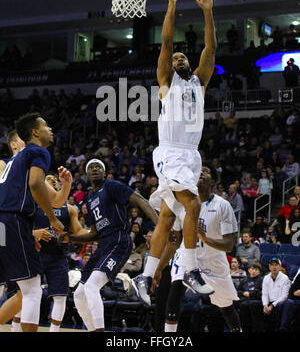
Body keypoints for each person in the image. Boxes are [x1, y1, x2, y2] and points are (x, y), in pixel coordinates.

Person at [132, 0, 217, 304]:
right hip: (170, 152)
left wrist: (208, 13)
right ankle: (191, 268)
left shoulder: (200, 81)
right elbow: (166, 42)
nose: (179, 58)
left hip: (191, 155)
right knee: (192, 205)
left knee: (168, 217)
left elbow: (210, 49)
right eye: (176, 57)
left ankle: (145, 274)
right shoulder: (166, 82)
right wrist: (171, 7)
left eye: (184, 57)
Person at [58, 158, 158, 332]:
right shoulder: (89, 199)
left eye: (99, 167)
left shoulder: (111, 186)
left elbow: (140, 200)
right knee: (79, 295)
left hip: (119, 240)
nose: (95, 169)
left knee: (91, 287)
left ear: (104, 173)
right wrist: (71, 238)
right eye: (91, 167)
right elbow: (94, 233)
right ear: (86, 174)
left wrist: (159, 225)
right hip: (103, 245)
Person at [151, 166, 241, 333]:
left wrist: (205, 238)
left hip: (214, 260)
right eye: (198, 170)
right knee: (176, 287)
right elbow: (174, 243)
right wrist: (159, 267)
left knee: (226, 306)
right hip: (187, 255)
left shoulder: (223, 205)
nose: (200, 172)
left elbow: (229, 245)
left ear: (212, 181)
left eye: (206, 171)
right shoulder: (181, 205)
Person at [0, 113, 64, 332]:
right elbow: (36, 184)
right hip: (13, 220)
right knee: (32, 290)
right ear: (35, 132)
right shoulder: (38, 151)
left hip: (4, 223)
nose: (50, 129)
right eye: (46, 125)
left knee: (21, 290)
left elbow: (51, 195)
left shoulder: (16, 159)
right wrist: (53, 218)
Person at [262, 257, 290, 332]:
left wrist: (272, 306)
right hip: (269, 303)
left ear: (280, 267)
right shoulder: (266, 278)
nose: (274, 267)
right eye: (272, 265)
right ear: (269, 267)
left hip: (280, 303)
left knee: (279, 307)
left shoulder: (285, 278)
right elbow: (264, 293)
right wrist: (265, 305)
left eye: (276, 265)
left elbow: (285, 296)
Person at [237, 262, 264, 332]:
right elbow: (238, 290)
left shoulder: (261, 280)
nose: (254, 271)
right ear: (249, 270)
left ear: (259, 272)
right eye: (252, 269)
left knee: (248, 305)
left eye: (256, 269)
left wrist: (250, 294)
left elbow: (262, 293)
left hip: (256, 299)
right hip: (244, 299)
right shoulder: (244, 280)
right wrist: (243, 293)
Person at [279, 266, 300, 331]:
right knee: (286, 303)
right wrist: (294, 293)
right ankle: (282, 328)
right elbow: (291, 290)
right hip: (296, 300)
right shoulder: (299, 276)